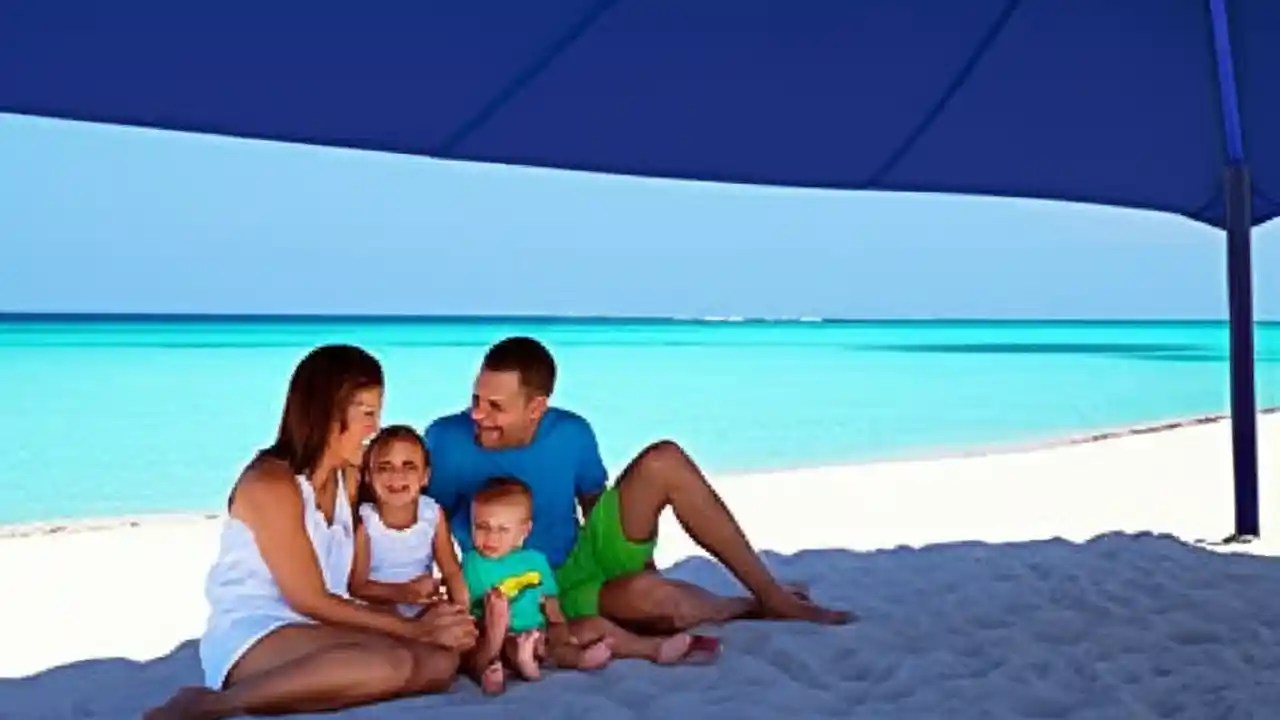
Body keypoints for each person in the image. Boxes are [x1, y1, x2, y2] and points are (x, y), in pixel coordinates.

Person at [424, 337, 852, 649]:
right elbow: (427, 522)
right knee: (664, 607)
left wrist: (635, 563)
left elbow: (595, 502)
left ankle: (773, 593)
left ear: (537, 408)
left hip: (583, 557)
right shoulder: (445, 440)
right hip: (536, 588)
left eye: (496, 406)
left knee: (664, 459)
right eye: (476, 398)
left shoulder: (571, 432)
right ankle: (745, 605)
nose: (479, 415)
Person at [147, 345, 477, 720]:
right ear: (328, 412)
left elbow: (401, 506)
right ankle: (216, 704)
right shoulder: (270, 484)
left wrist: (432, 607)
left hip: (322, 626)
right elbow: (309, 599)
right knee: (392, 664)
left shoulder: (347, 478)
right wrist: (411, 629)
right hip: (257, 631)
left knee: (439, 663)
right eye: (367, 413)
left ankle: (315, 685)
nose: (375, 428)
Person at [460, 476, 697, 695]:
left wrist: (559, 624)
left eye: (502, 529)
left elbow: (550, 600)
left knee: (590, 626)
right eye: (481, 527)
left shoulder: (535, 560)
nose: (491, 537)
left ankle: (652, 649)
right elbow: (470, 612)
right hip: (504, 636)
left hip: (542, 629)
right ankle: (524, 667)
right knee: (514, 647)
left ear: (524, 531)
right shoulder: (473, 564)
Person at [349, 424, 467, 618]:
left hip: (424, 606)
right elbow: (358, 587)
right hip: (378, 610)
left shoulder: (432, 514)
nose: (397, 475)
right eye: (385, 467)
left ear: (425, 477)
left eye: (409, 466)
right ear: (369, 477)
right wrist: (403, 592)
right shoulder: (366, 522)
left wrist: (462, 612)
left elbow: (451, 571)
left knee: (450, 623)